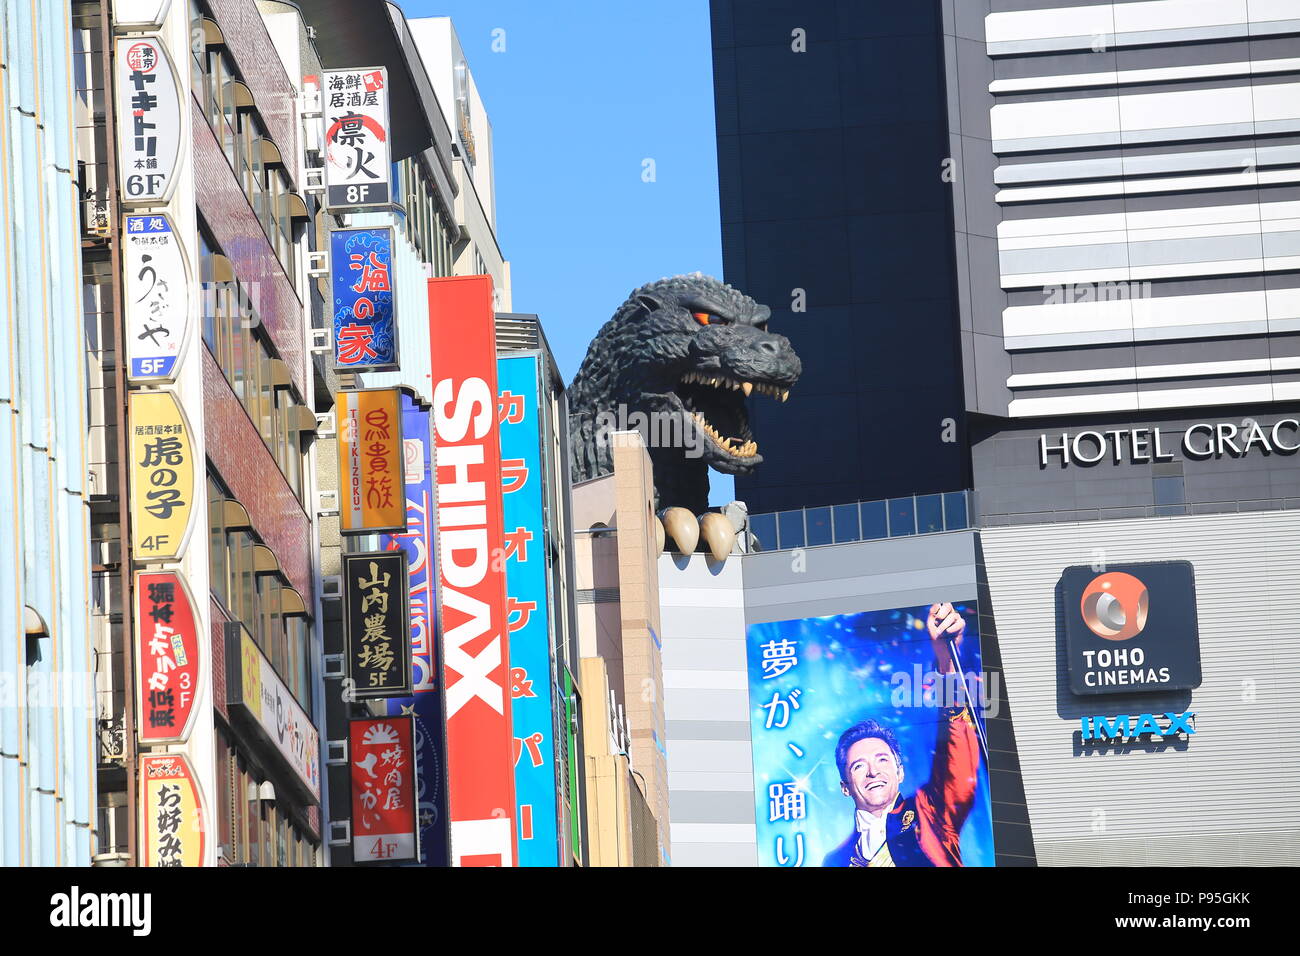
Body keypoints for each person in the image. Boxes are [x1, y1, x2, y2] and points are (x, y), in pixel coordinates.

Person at [822, 602, 981, 867]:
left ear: (900, 771)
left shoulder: (929, 811)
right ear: (845, 787)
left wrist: (946, 659)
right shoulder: (835, 860)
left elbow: (958, 756)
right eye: (859, 766)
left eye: (882, 760)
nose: (873, 772)